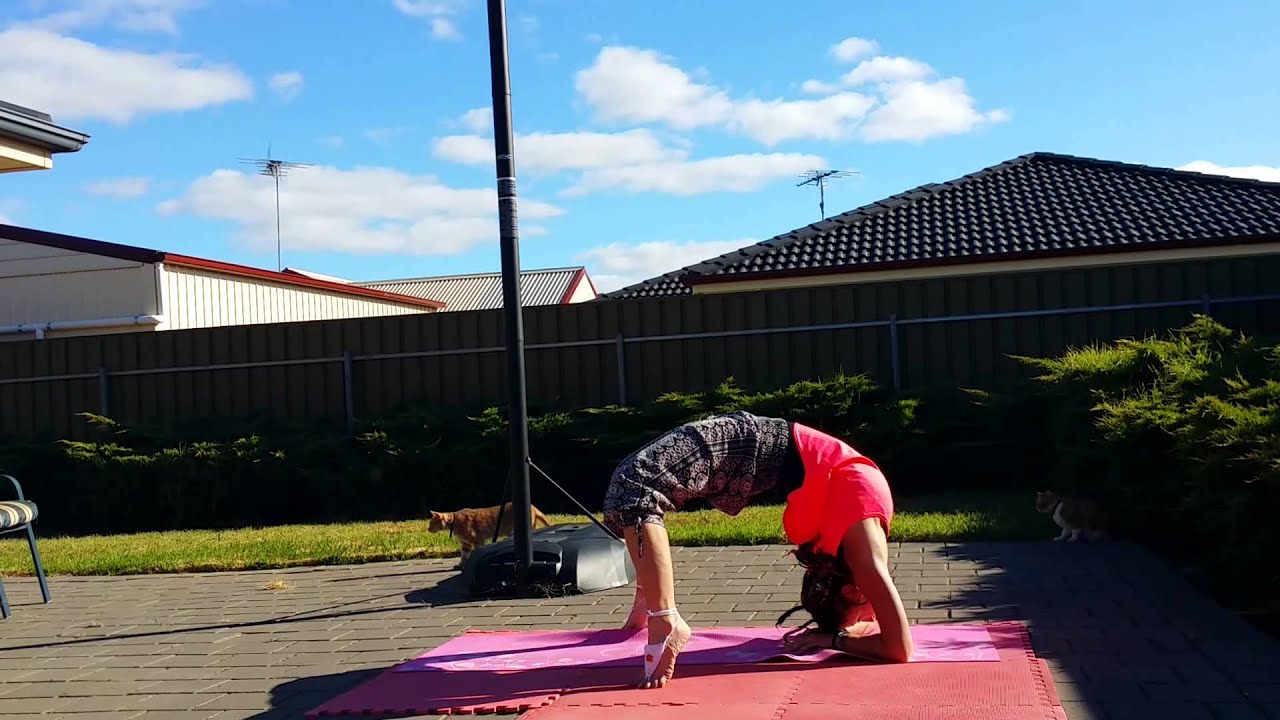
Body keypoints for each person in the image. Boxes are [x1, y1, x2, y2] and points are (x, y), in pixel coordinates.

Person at [602, 410, 913, 689]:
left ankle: (660, 614)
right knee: (636, 486)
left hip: (760, 450)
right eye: (869, 618)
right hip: (762, 442)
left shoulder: (850, 553)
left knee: (633, 489)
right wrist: (836, 638)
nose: (872, 618)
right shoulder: (865, 557)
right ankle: (658, 612)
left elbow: (892, 646)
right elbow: (899, 649)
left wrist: (832, 638)